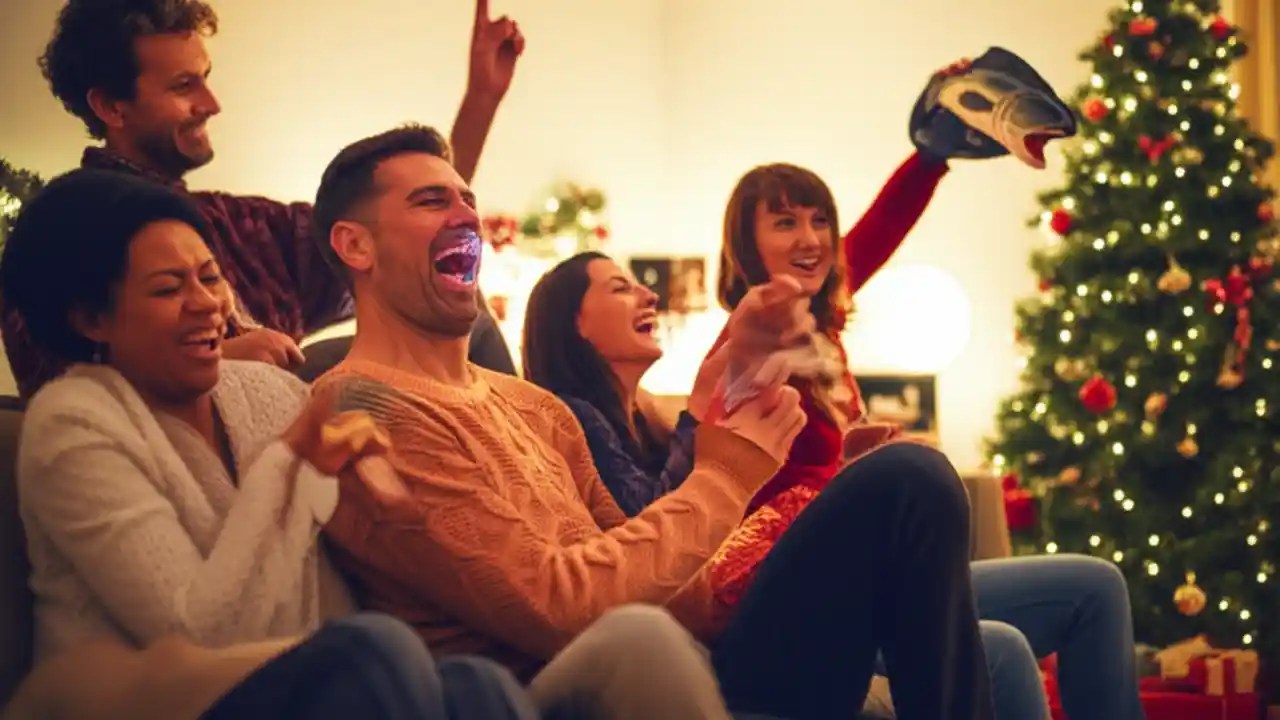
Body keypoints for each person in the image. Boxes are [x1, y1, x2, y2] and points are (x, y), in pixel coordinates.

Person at [0, 168, 750, 720]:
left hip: (328, 680)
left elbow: (336, 582)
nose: (206, 305)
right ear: (91, 318)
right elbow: (196, 630)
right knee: (380, 653)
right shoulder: (74, 423)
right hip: (165, 703)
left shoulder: (266, 394)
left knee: (487, 685)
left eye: (210, 278)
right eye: (169, 290)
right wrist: (294, 468)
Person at [307, 123, 994, 719]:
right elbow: (556, 606)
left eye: (469, 201)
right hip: (550, 688)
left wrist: (809, 518)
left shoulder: (531, 406)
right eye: (432, 201)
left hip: (694, 646)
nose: (466, 217)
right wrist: (724, 472)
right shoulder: (362, 406)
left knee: (904, 491)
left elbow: (658, 576)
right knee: (910, 479)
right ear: (356, 246)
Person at [4, 0, 517, 400]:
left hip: (299, 432)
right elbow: (58, 391)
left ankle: (540, 471)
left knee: (462, 311)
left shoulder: (236, 222)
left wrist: (481, 101)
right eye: (185, 86)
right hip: (238, 451)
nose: (211, 104)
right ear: (111, 105)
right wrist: (218, 360)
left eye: (205, 78)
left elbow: (388, 232)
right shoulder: (63, 231)